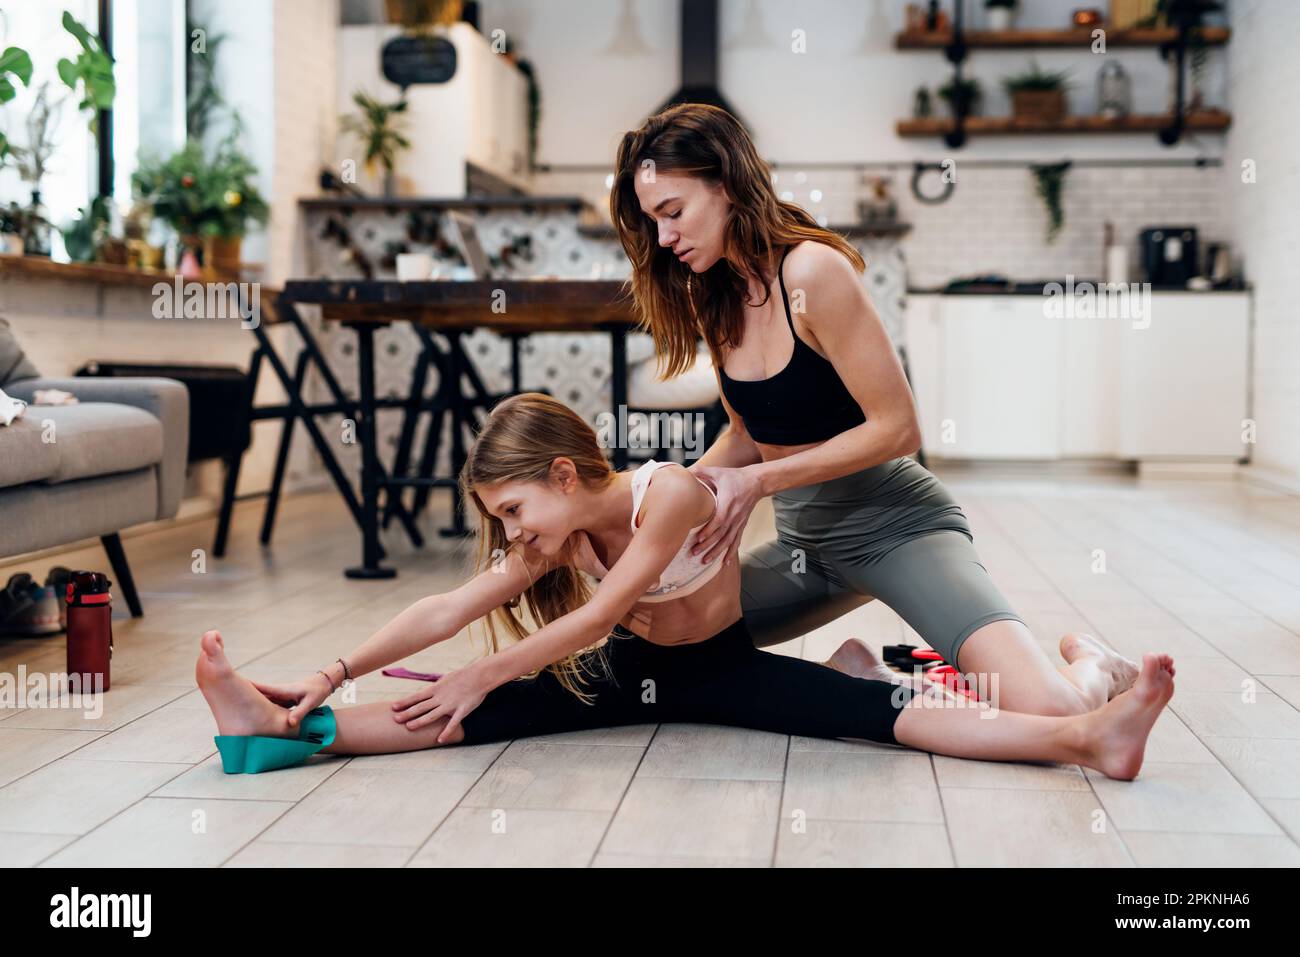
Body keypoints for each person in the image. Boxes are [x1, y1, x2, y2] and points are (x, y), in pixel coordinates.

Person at [197, 393, 1174, 781]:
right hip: (631, 675)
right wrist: (332, 669)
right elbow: (447, 610)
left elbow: (604, 610)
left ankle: (1088, 731)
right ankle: (275, 725)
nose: (510, 534)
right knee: (453, 720)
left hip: (721, 670)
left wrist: (485, 675)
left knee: (882, 720)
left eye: (512, 510)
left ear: (566, 475)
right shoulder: (555, 530)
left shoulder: (668, 492)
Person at [607, 102, 1140, 718]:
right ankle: (857, 673)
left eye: (672, 212)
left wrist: (755, 484)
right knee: (662, 641)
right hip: (804, 545)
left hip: (895, 528)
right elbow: (748, 434)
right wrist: (671, 493)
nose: (665, 237)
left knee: (1052, 712)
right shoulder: (716, 295)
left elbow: (899, 428)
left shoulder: (812, 271)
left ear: (726, 184)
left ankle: (1095, 666)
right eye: (653, 222)